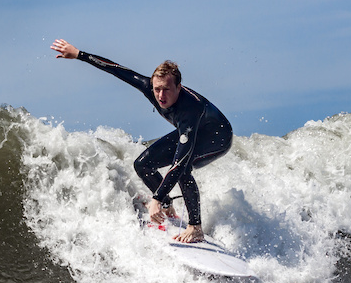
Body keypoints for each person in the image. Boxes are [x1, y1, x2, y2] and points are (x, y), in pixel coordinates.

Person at [51, 39, 233, 243]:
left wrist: (155, 198)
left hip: (217, 139)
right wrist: (79, 54)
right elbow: (116, 69)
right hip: (193, 132)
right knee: (142, 164)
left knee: (183, 167)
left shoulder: (189, 111)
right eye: (157, 89)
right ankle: (167, 206)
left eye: (166, 89)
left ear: (179, 87)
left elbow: (179, 163)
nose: (160, 96)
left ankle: (195, 227)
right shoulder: (149, 87)